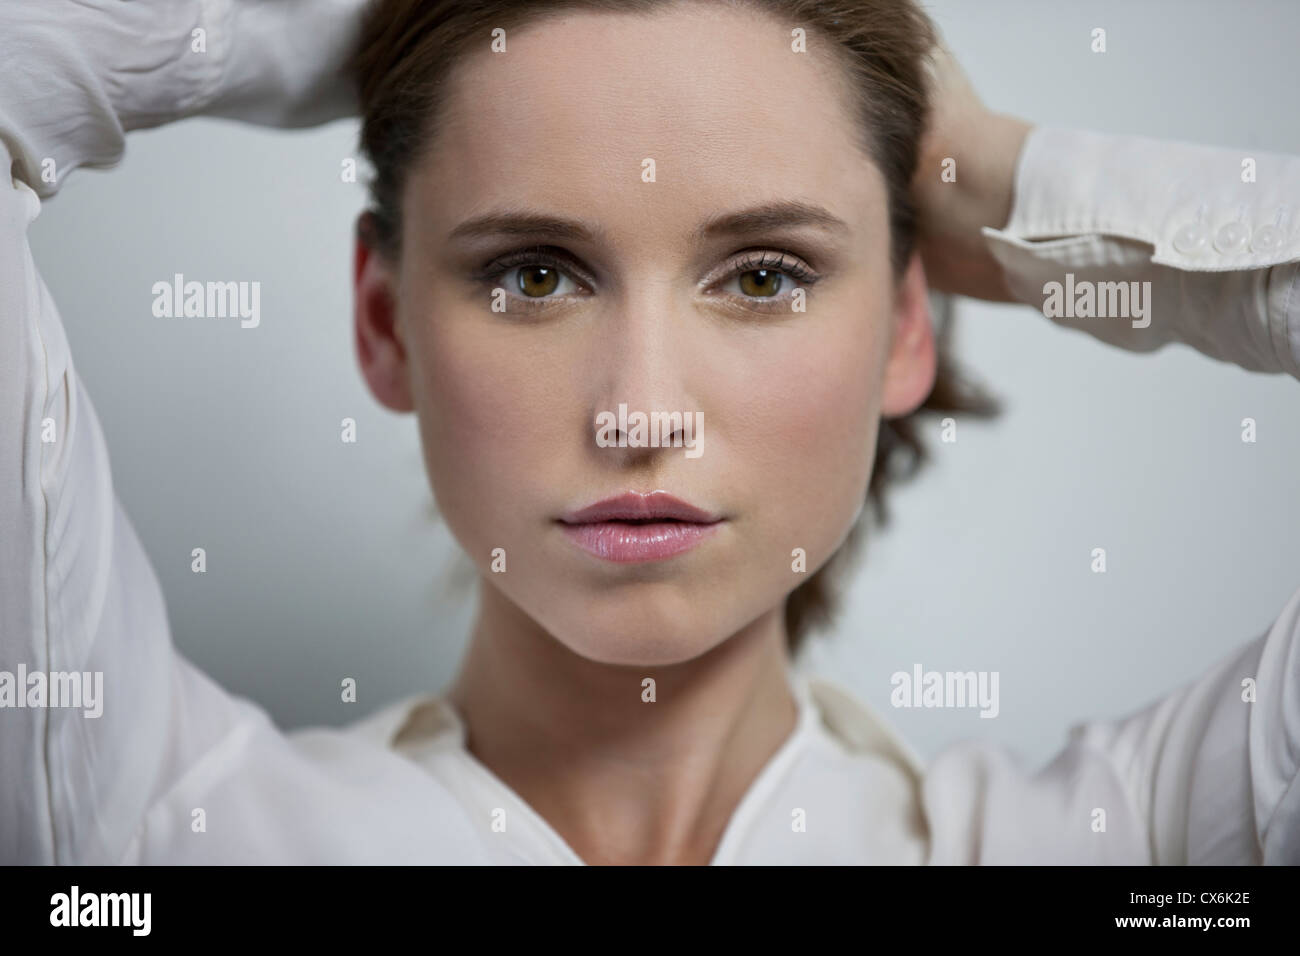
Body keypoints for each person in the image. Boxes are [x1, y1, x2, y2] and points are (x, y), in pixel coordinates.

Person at [1, 0, 1296, 865]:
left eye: (766, 274)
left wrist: (983, 169)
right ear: (385, 322)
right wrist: (383, 16)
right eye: (535, 276)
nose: (639, 412)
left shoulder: (1133, 844)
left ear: (910, 326)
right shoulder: (167, 836)